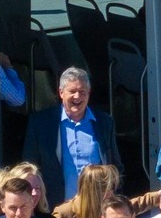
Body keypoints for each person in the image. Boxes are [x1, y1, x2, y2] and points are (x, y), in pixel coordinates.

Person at [23, 67, 125, 203]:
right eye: (72, 91)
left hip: (96, 208)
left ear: (88, 93)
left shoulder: (104, 122)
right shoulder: (41, 123)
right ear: (61, 92)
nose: (77, 97)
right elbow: (29, 167)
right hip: (56, 208)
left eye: (82, 92)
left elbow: (115, 165)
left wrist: (113, 196)